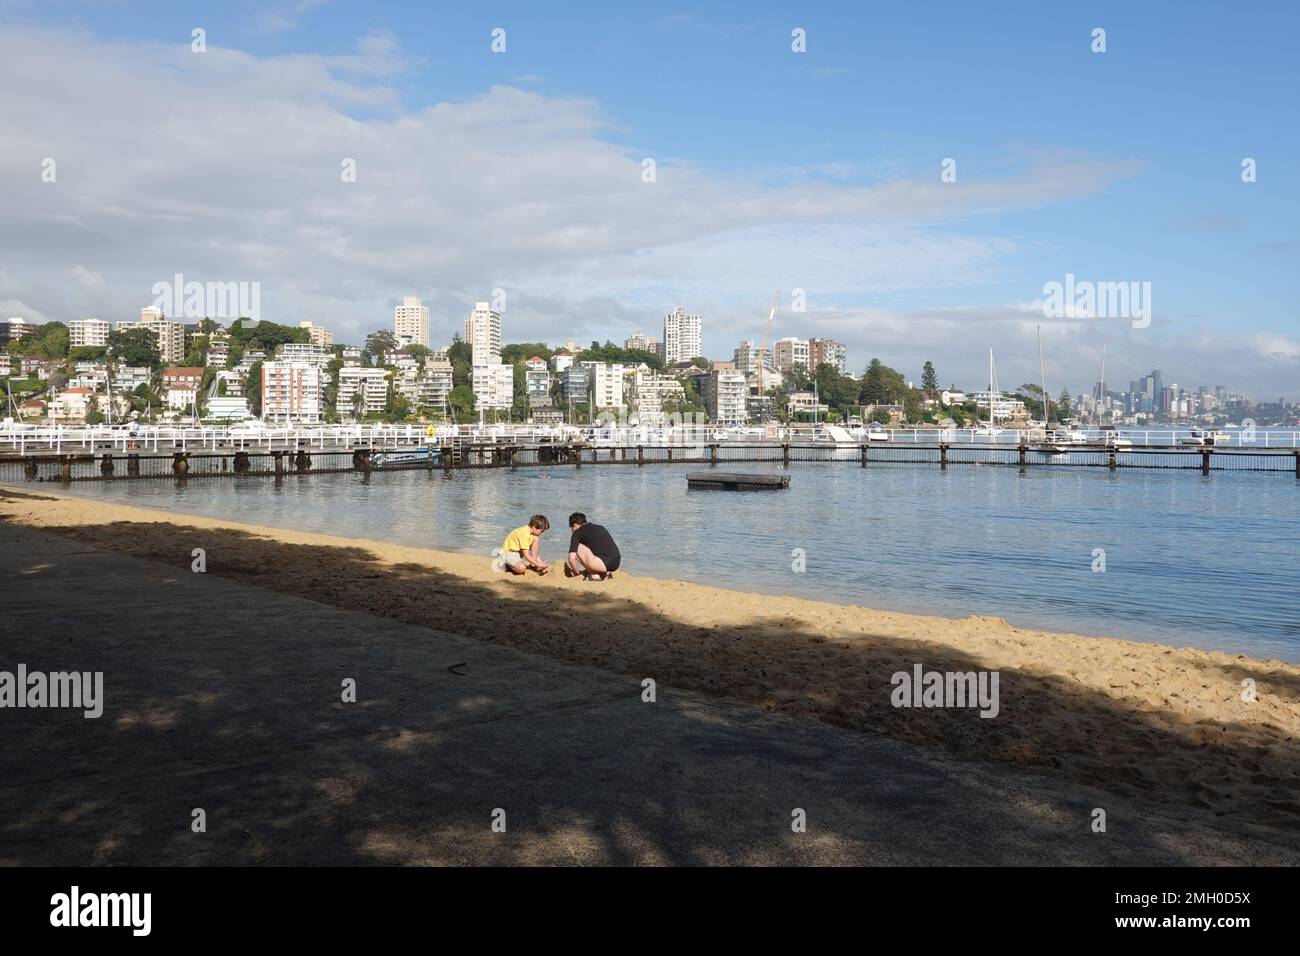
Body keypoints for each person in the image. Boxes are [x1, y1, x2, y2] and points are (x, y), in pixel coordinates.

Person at [565, 512, 620, 581]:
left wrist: (576, 573)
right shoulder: (600, 527)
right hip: (616, 563)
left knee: (576, 547)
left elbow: (571, 558)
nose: (571, 531)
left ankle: (594, 574)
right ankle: (604, 574)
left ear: (575, 525)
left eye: (571, 528)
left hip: (603, 563)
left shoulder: (577, 533)